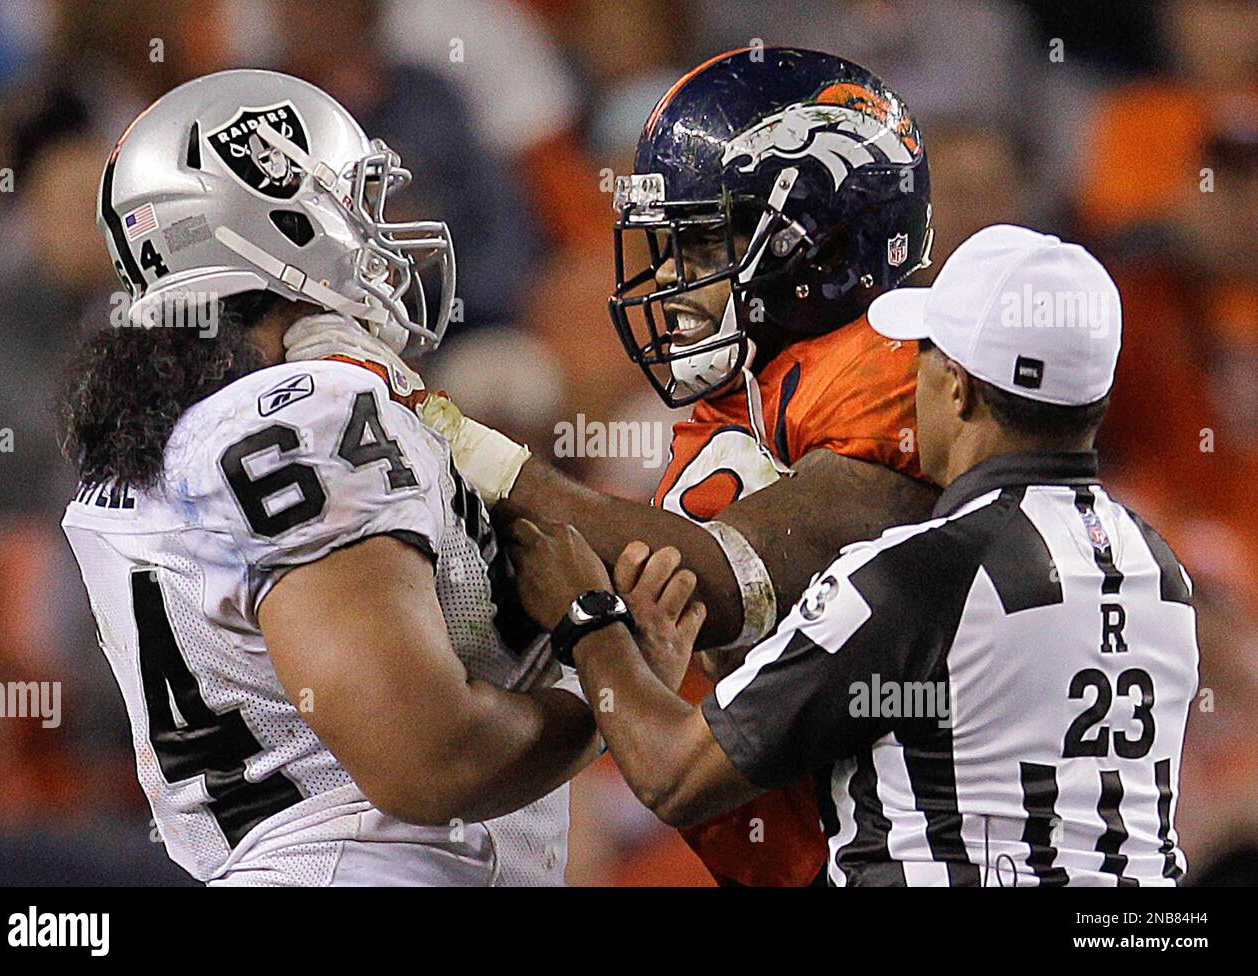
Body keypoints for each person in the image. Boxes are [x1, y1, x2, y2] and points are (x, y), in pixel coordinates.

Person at [290, 47, 939, 886]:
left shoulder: (897, 366)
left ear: (818, 249)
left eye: (700, 249)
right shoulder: (742, 407)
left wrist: (461, 444)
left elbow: (727, 580)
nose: (667, 281)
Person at [511, 224, 1198, 886]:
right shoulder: (1162, 570)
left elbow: (672, 774)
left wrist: (588, 624)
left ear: (955, 386)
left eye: (921, 354)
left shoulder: (918, 577)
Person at [59, 69, 601, 886]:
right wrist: (612, 688)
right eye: (354, 198)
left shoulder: (168, 434)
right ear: (274, 217)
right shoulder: (302, 412)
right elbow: (429, 759)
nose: (384, 229)